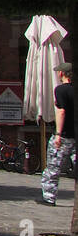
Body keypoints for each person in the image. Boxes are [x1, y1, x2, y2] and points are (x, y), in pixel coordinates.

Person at [40, 61, 74, 206]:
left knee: (53, 168)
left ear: (62, 74)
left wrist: (58, 133)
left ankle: (49, 197)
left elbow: (61, 111)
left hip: (65, 135)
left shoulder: (61, 90)